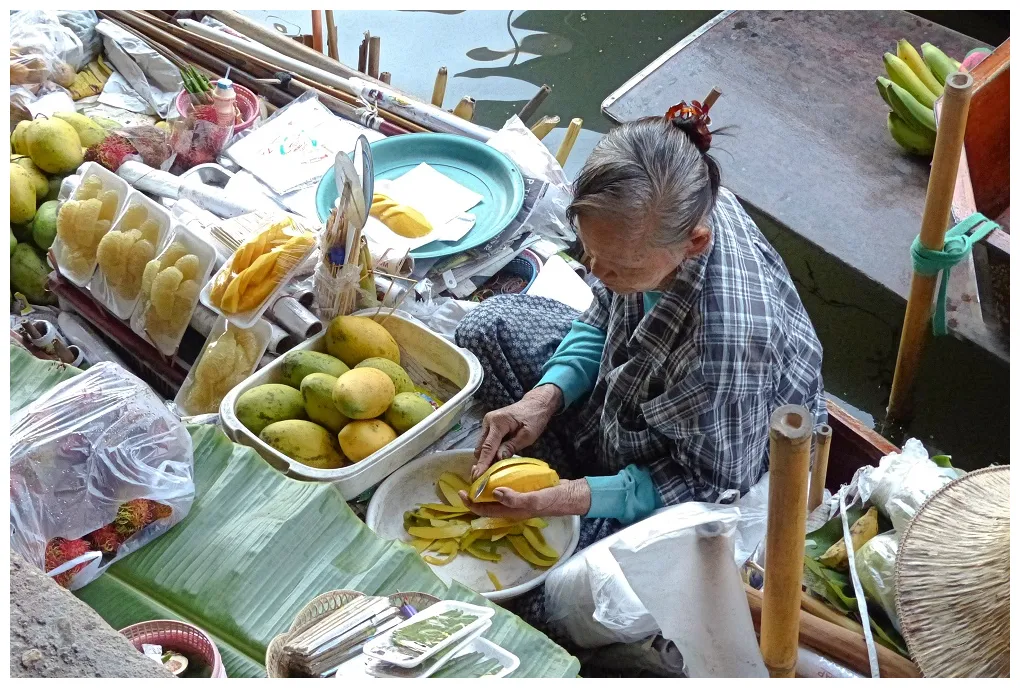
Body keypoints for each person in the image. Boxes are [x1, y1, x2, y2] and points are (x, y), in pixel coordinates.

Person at [454, 98, 825, 635]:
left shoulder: (725, 347)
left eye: (619, 267)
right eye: (589, 256)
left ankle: (581, 491)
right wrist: (545, 396)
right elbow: (602, 316)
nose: (598, 275)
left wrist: (571, 496)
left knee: (547, 600)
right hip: (637, 391)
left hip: (715, 459)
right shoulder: (672, 209)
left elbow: (703, 483)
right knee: (485, 329)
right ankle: (564, 452)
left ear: (695, 243)